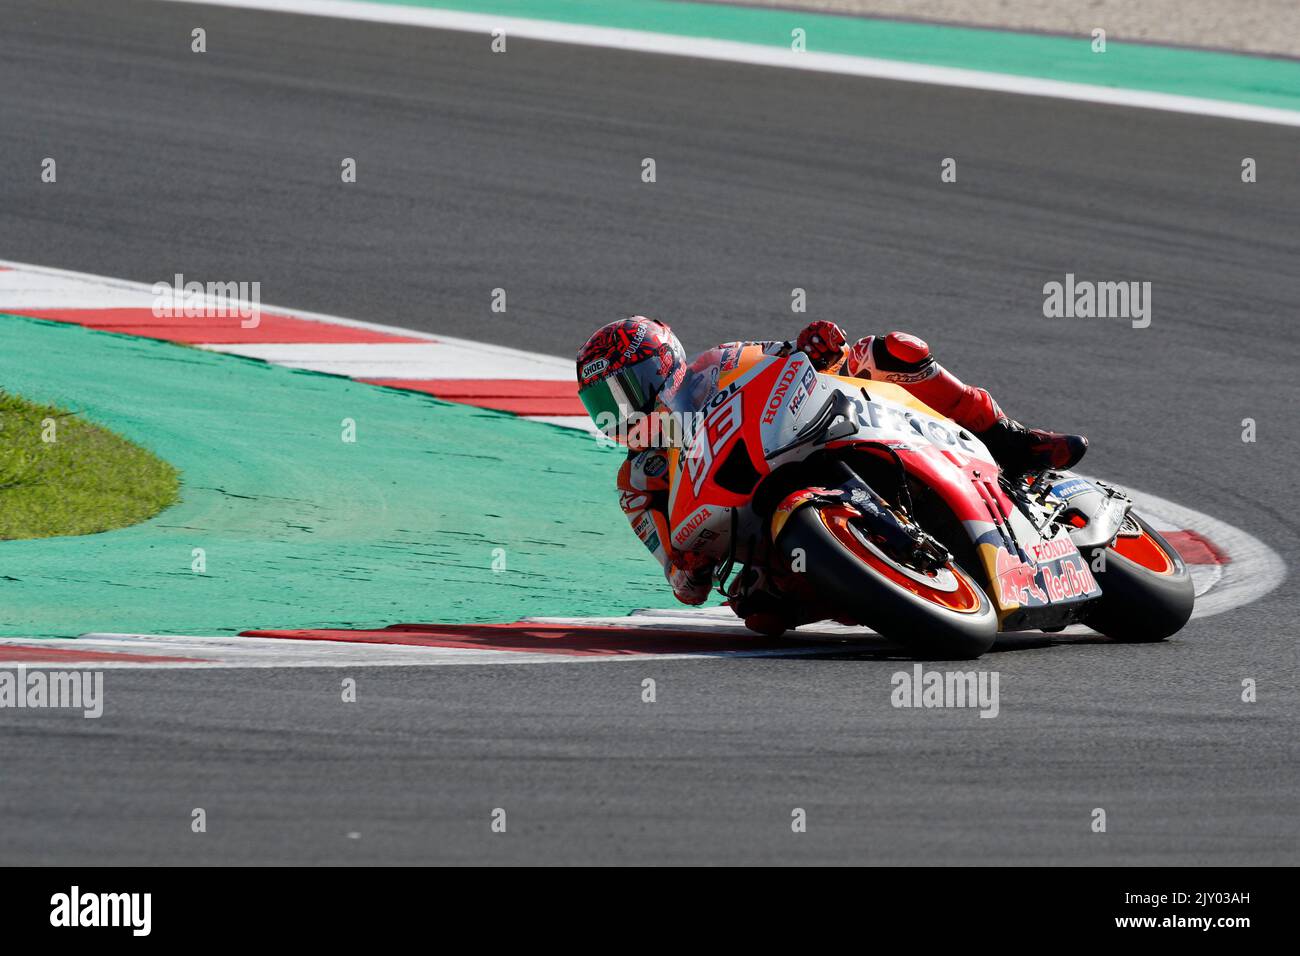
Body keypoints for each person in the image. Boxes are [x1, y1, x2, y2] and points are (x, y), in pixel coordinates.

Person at [575, 316, 1087, 607]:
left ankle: (1009, 439)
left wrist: (821, 349)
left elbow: (796, 361)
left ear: (659, 367)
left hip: (813, 437)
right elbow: (680, 582)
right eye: (602, 407)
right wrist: (687, 570)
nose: (617, 417)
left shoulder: (718, 364)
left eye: (621, 395)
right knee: (759, 611)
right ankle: (867, 579)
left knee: (889, 350)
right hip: (765, 542)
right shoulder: (638, 482)